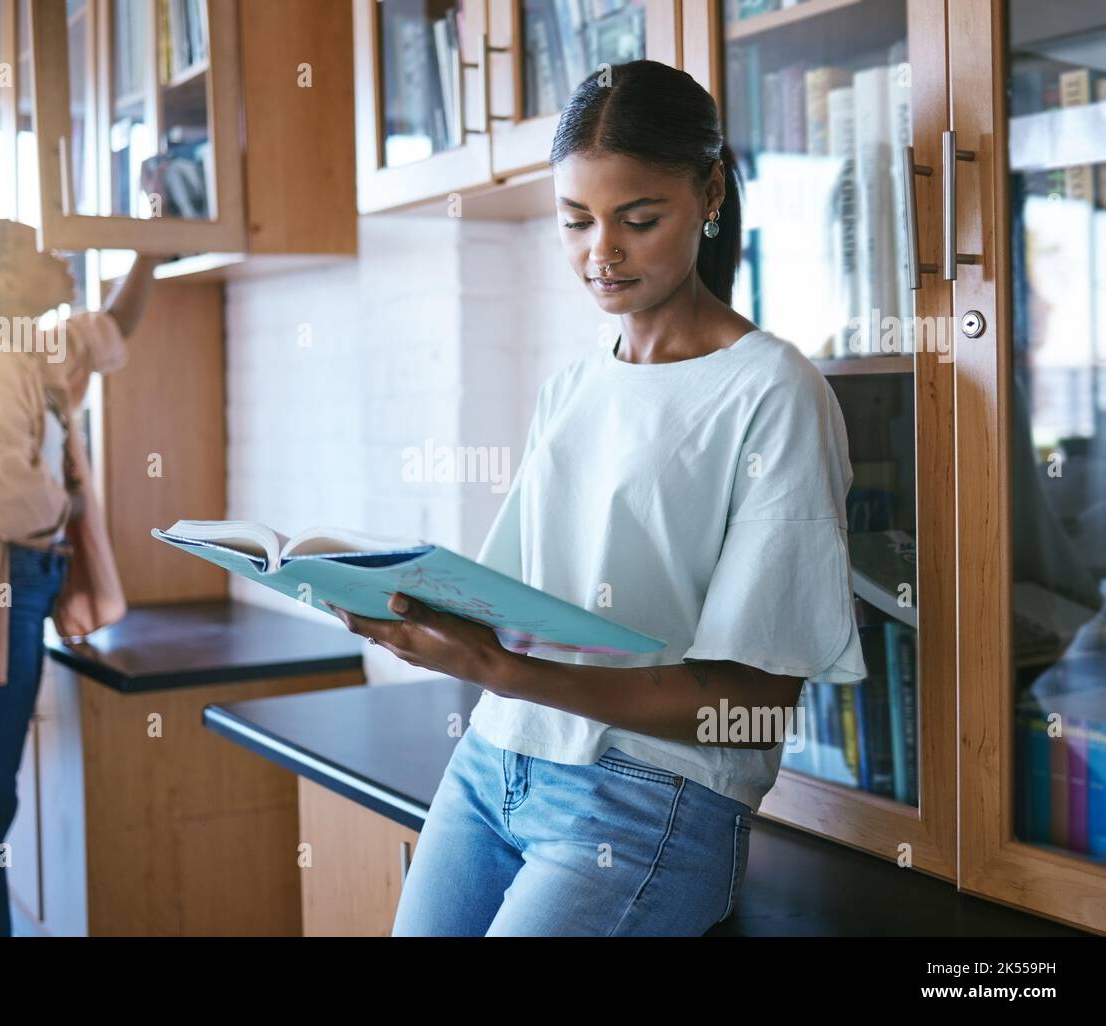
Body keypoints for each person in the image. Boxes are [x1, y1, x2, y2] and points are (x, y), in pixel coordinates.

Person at [327, 61, 868, 935]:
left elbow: (755, 704)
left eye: (638, 219)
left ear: (710, 194)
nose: (600, 253)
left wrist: (507, 672)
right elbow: (515, 606)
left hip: (646, 797)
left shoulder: (771, 391)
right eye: (575, 222)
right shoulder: (574, 386)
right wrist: (396, 607)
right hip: (494, 759)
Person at [0, 217, 162, 936]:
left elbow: (111, 328)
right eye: (37, 252)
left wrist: (149, 254)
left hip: (18, 586)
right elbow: (6, 496)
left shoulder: (29, 346)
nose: (60, 258)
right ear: (0, 281)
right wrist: (69, 496)